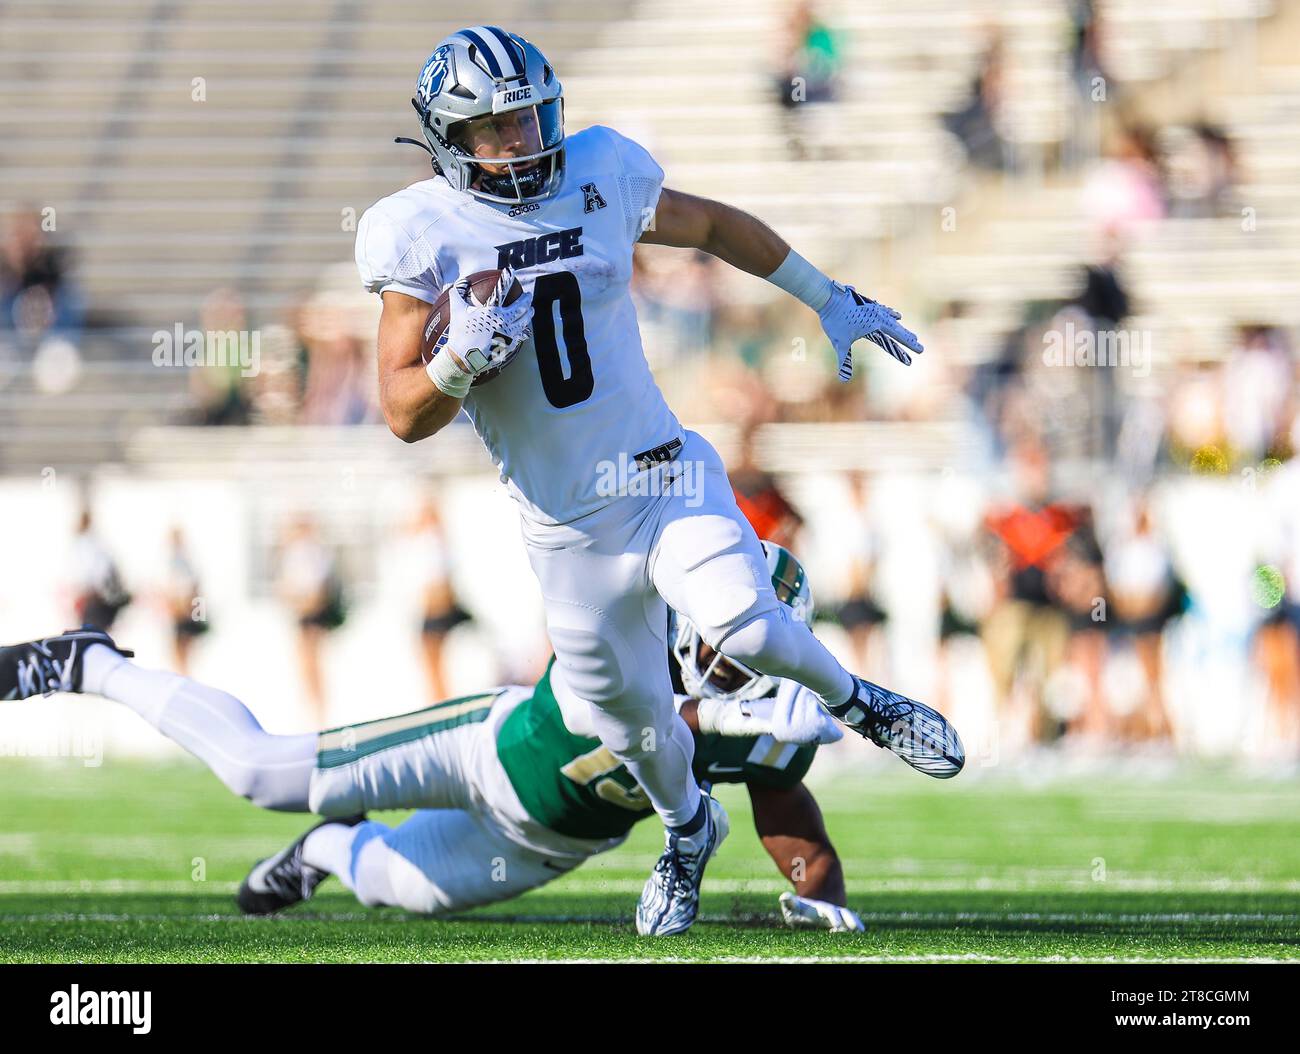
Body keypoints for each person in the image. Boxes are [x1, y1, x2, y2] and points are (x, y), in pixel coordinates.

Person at [359, 26, 962, 935]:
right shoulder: (415, 231)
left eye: (529, 117)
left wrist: (830, 298)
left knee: (746, 620)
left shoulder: (599, 168)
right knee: (632, 724)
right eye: (496, 131)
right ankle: (688, 834)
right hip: (566, 531)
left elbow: (713, 225)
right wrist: (454, 364)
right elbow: (404, 412)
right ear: (450, 141)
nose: (522, 141)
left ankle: (861, 702)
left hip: (661, 474)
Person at [0, 545, 865, 933]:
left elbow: (795, 823)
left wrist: (820, 897)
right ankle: (93, 665)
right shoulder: (631, 627)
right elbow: (630, 722)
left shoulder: (776, 722)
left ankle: (329, 850)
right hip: (479, 750)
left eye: (756, 643)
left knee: (389, 887)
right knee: (259, 772)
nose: (732, 654)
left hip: (551, 844)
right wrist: (723, 716)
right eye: (729, 630)